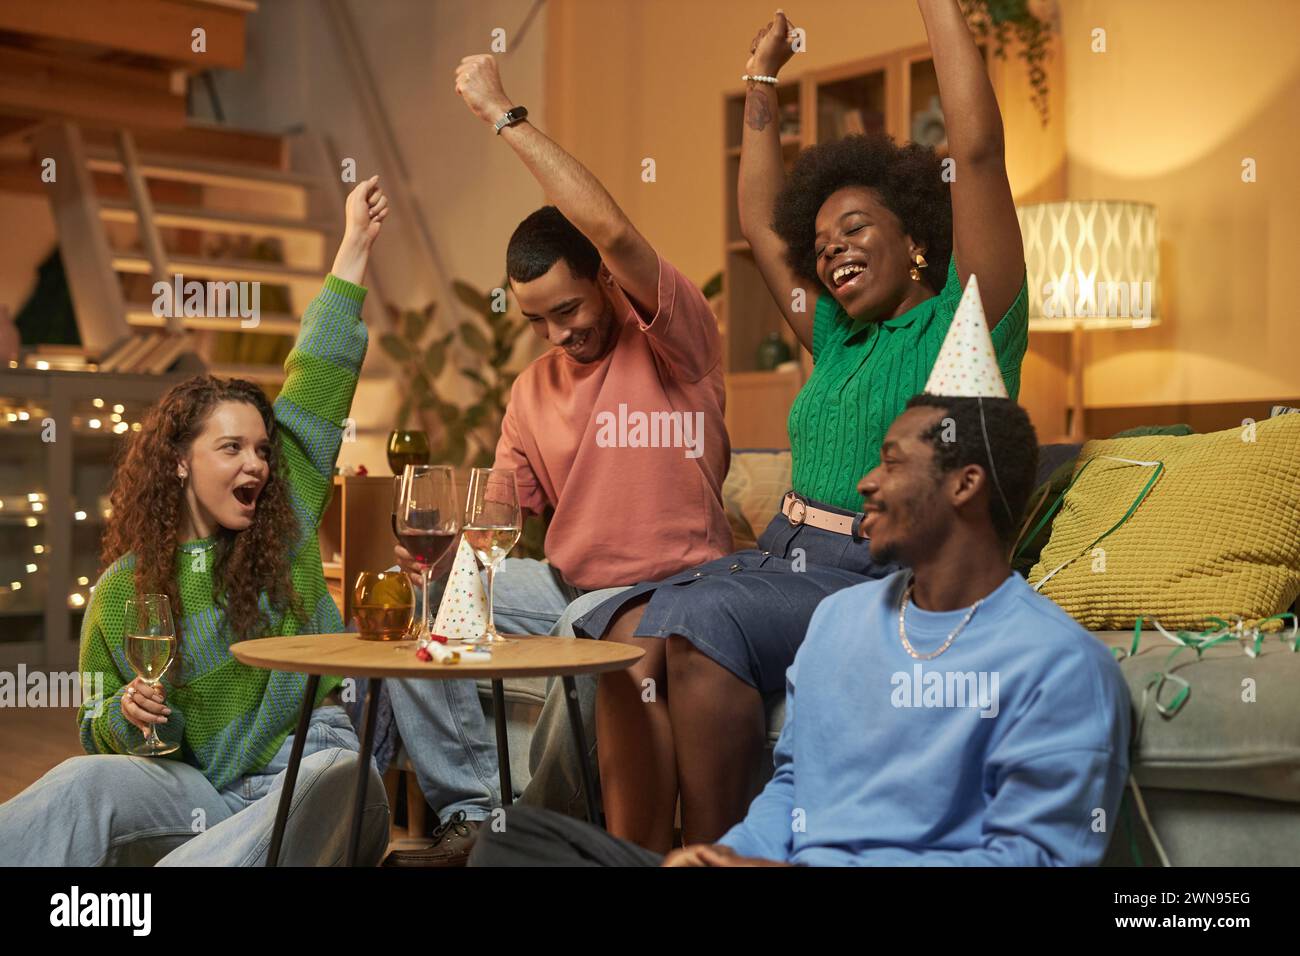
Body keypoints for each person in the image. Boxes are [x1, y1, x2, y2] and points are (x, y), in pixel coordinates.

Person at [572, 0, 1031, 853]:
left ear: (916, 237)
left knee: (704, 629)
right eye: (820, 244)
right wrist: (759, 85)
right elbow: (759, 222)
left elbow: (976, 151)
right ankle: (637, 859)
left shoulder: (969, 321)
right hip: (784, 551)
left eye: (854, 229)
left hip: (874, 570)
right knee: (626, 638)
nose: (831, 253)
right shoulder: (835, 334)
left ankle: (722, 851)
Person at [469, 391, 1131, 867]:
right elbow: (791, 786)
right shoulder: (840, 620)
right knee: (515, 841)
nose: (866, 483)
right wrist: (727, 855)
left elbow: (1034, 857)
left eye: (893, 463)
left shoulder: (1059, 663)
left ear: (965, 484)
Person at [380, 53, 732, 866]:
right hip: (565, 582)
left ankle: (548, 843)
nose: (556, 334)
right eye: (535, 319)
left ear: (605, 282)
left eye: (568, 308)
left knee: (587, 634)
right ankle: (478, 817)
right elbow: (500, 512)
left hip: (669, 584)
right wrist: (447, 554)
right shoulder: (532, 388)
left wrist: (504, 113)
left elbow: (609, 227)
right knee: (424, 605)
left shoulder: (673, 341)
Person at [0, 177, 392, 866]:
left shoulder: (289, 514)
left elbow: (319, 373)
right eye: (231, 448)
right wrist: (127, 716)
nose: (257, 466)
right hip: (200, 792)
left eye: (263, 449)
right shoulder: (123, 591)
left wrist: (353, 245)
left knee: (335, 778)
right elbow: (94, 718)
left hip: (305, 766)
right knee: (78, 783)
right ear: (179, 462)